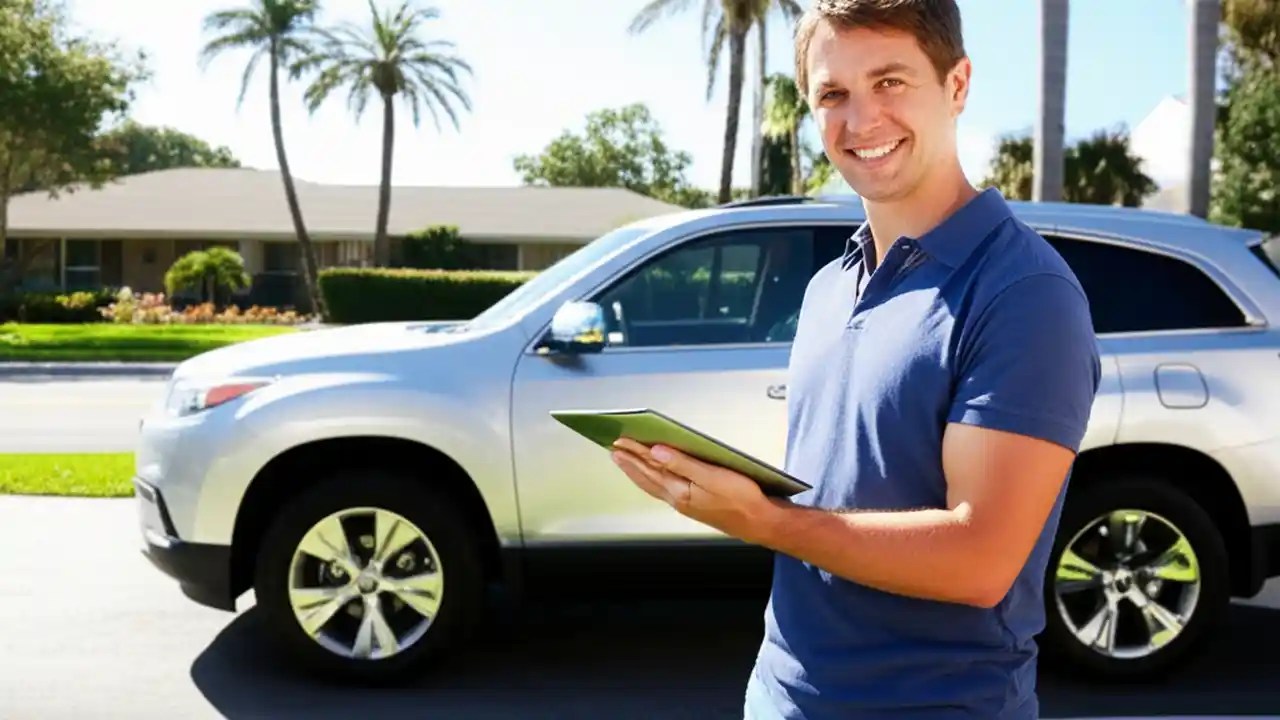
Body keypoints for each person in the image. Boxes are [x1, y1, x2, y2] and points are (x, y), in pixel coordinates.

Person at [609, 0, 1102, 717]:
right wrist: (726, 486)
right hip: (781, 694)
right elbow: (845, 486)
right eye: (832, 94)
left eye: (891, 82)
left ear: (957, 86)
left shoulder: (1025, 291)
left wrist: (762, 521)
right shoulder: (828, 285)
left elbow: (980, 560)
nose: (860, 119)